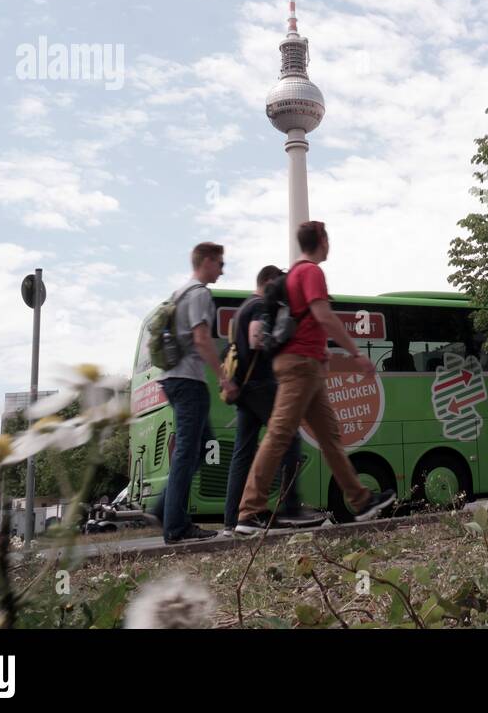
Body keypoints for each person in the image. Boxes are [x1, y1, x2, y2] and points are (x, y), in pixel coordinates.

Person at [234, 221, 395, 534]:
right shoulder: (310, 272)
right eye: (328, 238)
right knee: (280, 433)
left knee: (330, 437)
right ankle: (249, 511)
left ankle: (361, 501)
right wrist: (356, 353)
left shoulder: (293, 274)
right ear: (321, 240)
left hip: (308, 365)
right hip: (301, 365)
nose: (329, 243)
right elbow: (323, 316)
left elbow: (309, 325)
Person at [222, 265, 326, 533]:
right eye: (279, 283)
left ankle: (233, 519)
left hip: (244, 387)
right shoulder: (258, 306)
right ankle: (290, 506)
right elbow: (257, 339)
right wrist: (282, 342)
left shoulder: (243, 307)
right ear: (268, 281)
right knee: (289, 436)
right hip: (260, 384)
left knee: (242, 453)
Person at [157, 242, 237, 544]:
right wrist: (223, 377)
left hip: (173, 379)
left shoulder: (178, 294)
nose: (222, 269)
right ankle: (175, 527)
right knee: (188, 451)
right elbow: (202, 339)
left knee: (203, 446)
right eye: (219, 263)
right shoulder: (200, 294)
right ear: (205, 261)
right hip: (189, 381)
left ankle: (163, 508)